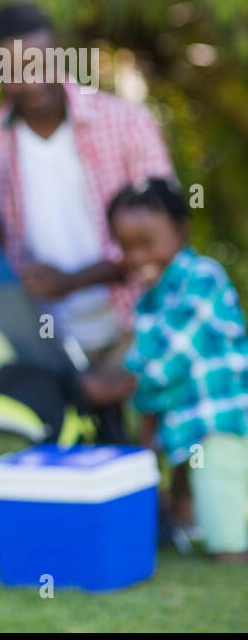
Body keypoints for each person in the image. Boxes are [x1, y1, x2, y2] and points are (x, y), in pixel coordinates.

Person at [0, 1, 176, 368]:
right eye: (17, 69)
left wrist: (73, 281)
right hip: (47, 341)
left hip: (136, 323)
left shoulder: (126, 121)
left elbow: (168, 235)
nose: (35, 79)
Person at [80, 177, 248, 562]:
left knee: (225, 536)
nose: (137, 257)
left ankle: (231, 550)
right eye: (125, 247)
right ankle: (183, 521)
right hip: (184, 429)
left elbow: (172, 356)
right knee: (186, 497)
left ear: (182, 230)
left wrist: (119, 380)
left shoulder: (202, 277)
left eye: (147, 243)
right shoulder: (148, 302)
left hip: (223, 421)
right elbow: (152, 391)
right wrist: (145, 444)